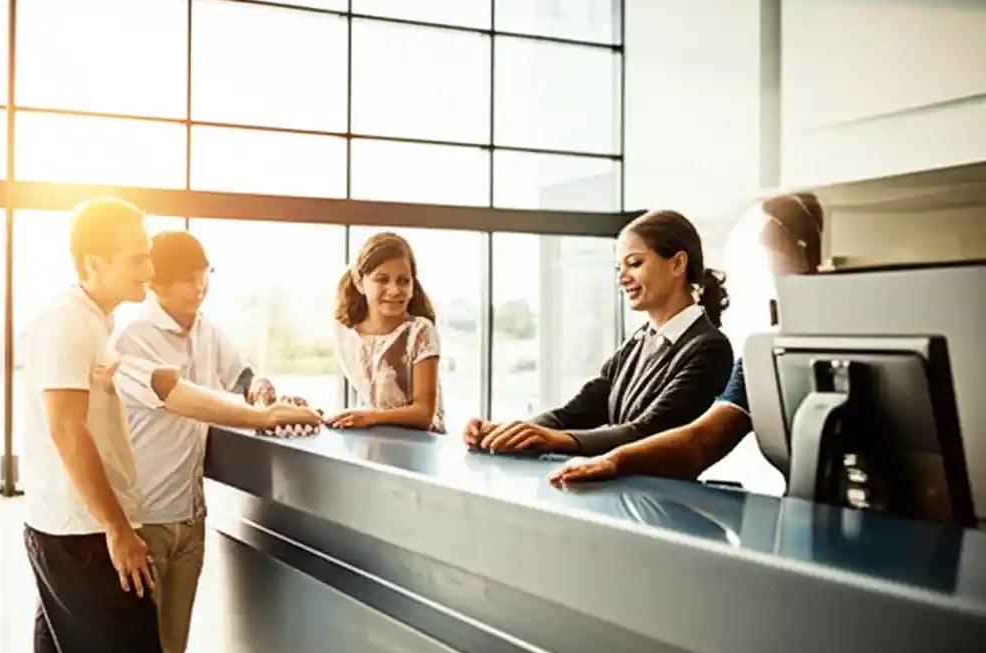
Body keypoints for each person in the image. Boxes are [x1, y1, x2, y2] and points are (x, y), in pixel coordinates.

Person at [107, 231, 319, 653]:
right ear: (155, 283)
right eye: (186, 278)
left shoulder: (207, 329)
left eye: (204, 274)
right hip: (144, 521)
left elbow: (240, 375)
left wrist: (259, 390)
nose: (199, 285)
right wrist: (260, 418)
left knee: (170, 652)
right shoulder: (132, 337)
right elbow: (179, 397)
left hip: (191, 519)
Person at [550, 193, 824, 485]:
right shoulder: (761, 358)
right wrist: (527, 432)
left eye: (635, 263)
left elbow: (655, 431)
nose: (772, 276)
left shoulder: (711, 347)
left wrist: (588, 450)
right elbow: (700, 441)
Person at [20, 196, 165, 653]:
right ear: (93, 263)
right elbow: (66, 428)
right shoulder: (67, 320)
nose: (150, 267)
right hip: (83, 534)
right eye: (138, 257)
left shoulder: (97, 318)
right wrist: (118, 529)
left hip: (69, 527)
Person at [465, 210, 733, 455]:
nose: (622, 278)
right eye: (620, 268)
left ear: (677, 264)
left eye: (635, 263)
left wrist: (553, 440)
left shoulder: (709, 348)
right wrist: (508, 432)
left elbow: (649, 432)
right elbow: (578, 412)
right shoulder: (637, 343)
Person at [328, 231, 445, 433]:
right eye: (382, 280)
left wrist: (371, 416)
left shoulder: (421, 331)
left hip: (421, 443)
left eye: (403, 281)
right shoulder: (346, 331)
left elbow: (424, 413)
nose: (394, 290)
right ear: (359, 282)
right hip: (377, 436)